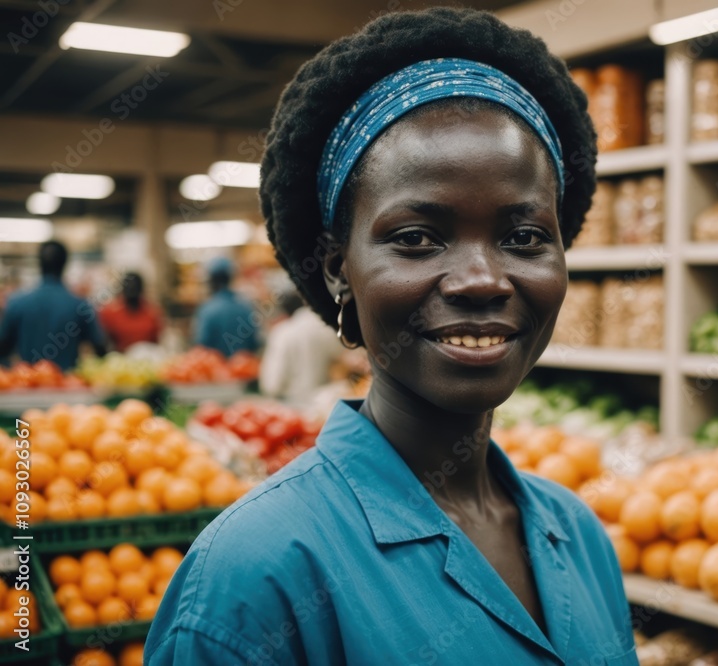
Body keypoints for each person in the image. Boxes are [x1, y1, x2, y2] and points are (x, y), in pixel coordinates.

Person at [146, 8, 634, 666]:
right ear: (337, 271)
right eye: (416, 238)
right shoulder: (253, 580)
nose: (483, 279)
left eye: (523, 237)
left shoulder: (577, 536)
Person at [0, 240, 107, 370]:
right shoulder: (80, 306)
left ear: (39, 263)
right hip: (68, 385)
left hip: (28, 383)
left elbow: (3, 348)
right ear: (65, 264)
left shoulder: (17, 303)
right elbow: (100, 348)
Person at [259, 289, 344, 405]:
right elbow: (341, 363)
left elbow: (272, 384)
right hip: (325, 402)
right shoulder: (328, 329)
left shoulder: (282, 333)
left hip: (291, 405)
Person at [191, 257, 259, 357]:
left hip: (213, 370)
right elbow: (254, 343)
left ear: (211, 281)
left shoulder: (206, 310)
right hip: (245, 370)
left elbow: (201, 346)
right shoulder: (245, 308)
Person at [98, 272, 163, 352]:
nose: (132, 290)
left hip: (147, 358)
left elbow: (156, 341)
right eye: (129, 287)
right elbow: (103, 341)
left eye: (135, 288)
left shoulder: (152, 313)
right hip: (119, 358)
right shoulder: (109, 313)